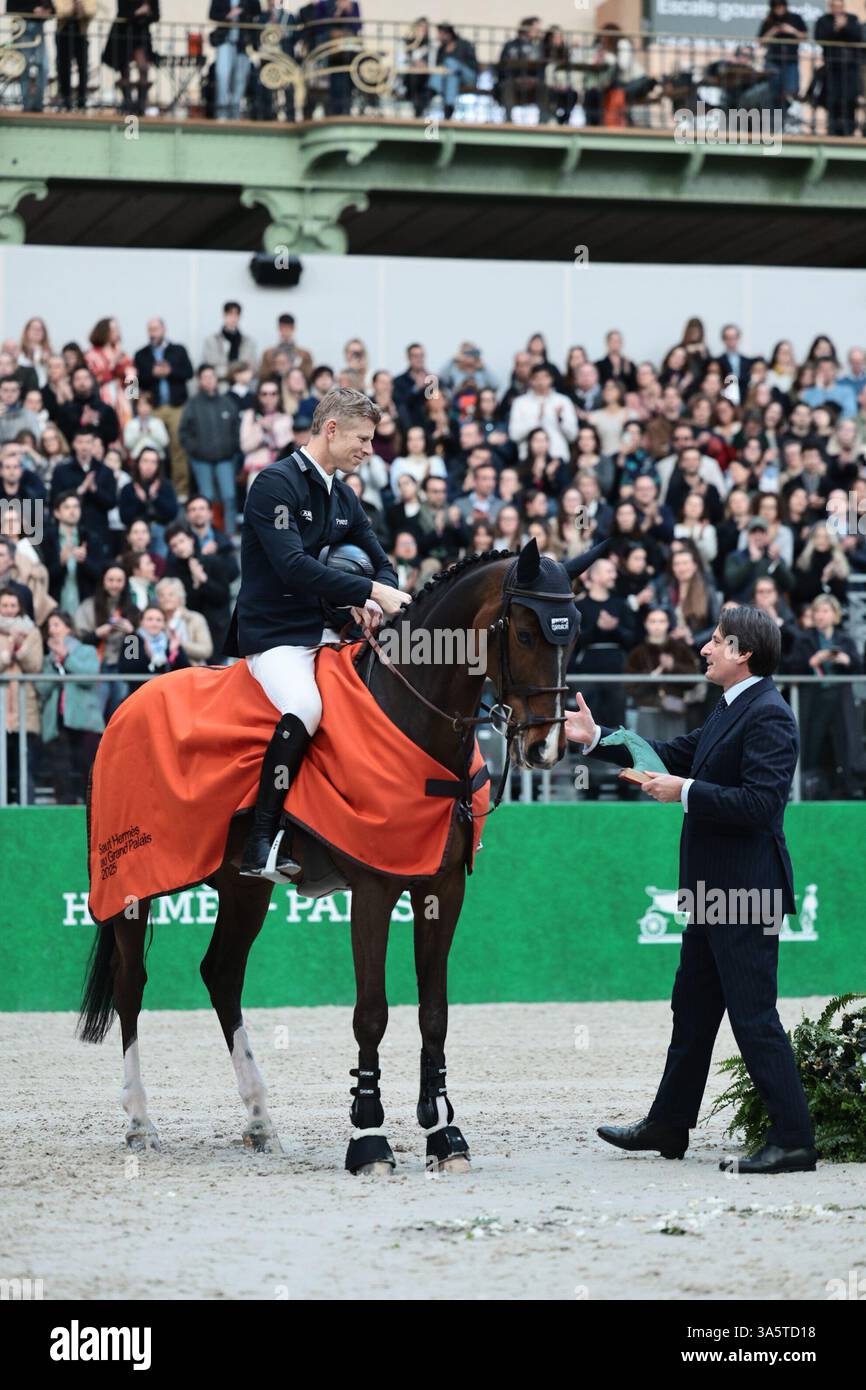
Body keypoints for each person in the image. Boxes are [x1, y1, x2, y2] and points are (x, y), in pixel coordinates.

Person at [567, 605, 817, 1173]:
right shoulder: (735, 706)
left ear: (743, 652)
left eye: (715, 641)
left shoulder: (771, 714)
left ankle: (795, 1140)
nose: (703, 649)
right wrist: (598, 737)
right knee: (694, 1009)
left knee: (754, 1018)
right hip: (712, 893)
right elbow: (674, 756)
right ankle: (669, 1124)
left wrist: (684, 793)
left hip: (745, 893)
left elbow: (761, 804)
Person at [222, 387, 411, 879]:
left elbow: (384, 566)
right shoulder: (274, 484)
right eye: (363, 439)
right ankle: (261, 842)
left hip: (329, 634)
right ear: (331, 429)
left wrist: (375, 597)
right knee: (306, 706)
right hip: (275, 635)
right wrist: (369, 587)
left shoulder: (343, 496)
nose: (370, 450)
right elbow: (292, 567)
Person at [37, 609, 104, 803]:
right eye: (50, 626)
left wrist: (67, 658)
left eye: (56, 625)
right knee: (60, 769)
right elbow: (42, 687)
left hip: (84, 721)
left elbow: (90, 677)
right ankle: (65, 807)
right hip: (58, 721)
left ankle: (92, 809)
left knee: (87, 767)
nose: (52, 630)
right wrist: (54, 663)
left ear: (68, 627)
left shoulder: (86, 651)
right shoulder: (48, 658)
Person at [133, 318, 194, 499]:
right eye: (150, 329)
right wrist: (152, 374)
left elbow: (189, 373)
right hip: (153, 408)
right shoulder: (141, 354)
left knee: (178, 449)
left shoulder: (178, 350)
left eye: (156, 328)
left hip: (176, 407)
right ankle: (152, 489)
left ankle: (180, 492)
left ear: (164, 329)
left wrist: (170, 372)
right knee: (150, 449)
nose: (153, 332)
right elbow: (134, 382)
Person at [178, 364, 241, 535]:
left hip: (225, 458)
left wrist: (232, 447)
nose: (209, 380)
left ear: (216, 379)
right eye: (205, 377)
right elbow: (183, 433)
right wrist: (195, 449)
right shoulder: (192, 405)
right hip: (201, 460)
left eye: (211, 376)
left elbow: (237, 428)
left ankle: (229, 535)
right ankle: (209, 535)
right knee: (207, 499)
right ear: (199, 381)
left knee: (229, 497)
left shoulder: (227, 403)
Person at [0, 587, 43, 803]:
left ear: (19, 607)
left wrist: (19, 649)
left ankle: (27, 810)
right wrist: (6, 653)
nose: (8, 610)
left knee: (24, 765)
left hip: (23, 707)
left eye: (12, 605)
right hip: (2, 707)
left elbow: (35, 666)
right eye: (4, 605)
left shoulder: (32, 632)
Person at [814, 0, 863, 137]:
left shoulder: (852, 19)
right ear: (830, 7)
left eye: (839, 6)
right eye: (834, 6)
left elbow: (858, 36)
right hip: (832, 69)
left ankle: (849, 131)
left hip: (850, 69)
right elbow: (820, 38)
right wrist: (836, 29)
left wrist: (845, 26)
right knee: (832, 100)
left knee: (849, 101)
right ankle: (833, 131)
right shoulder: (823, 21)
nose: (837, 9)